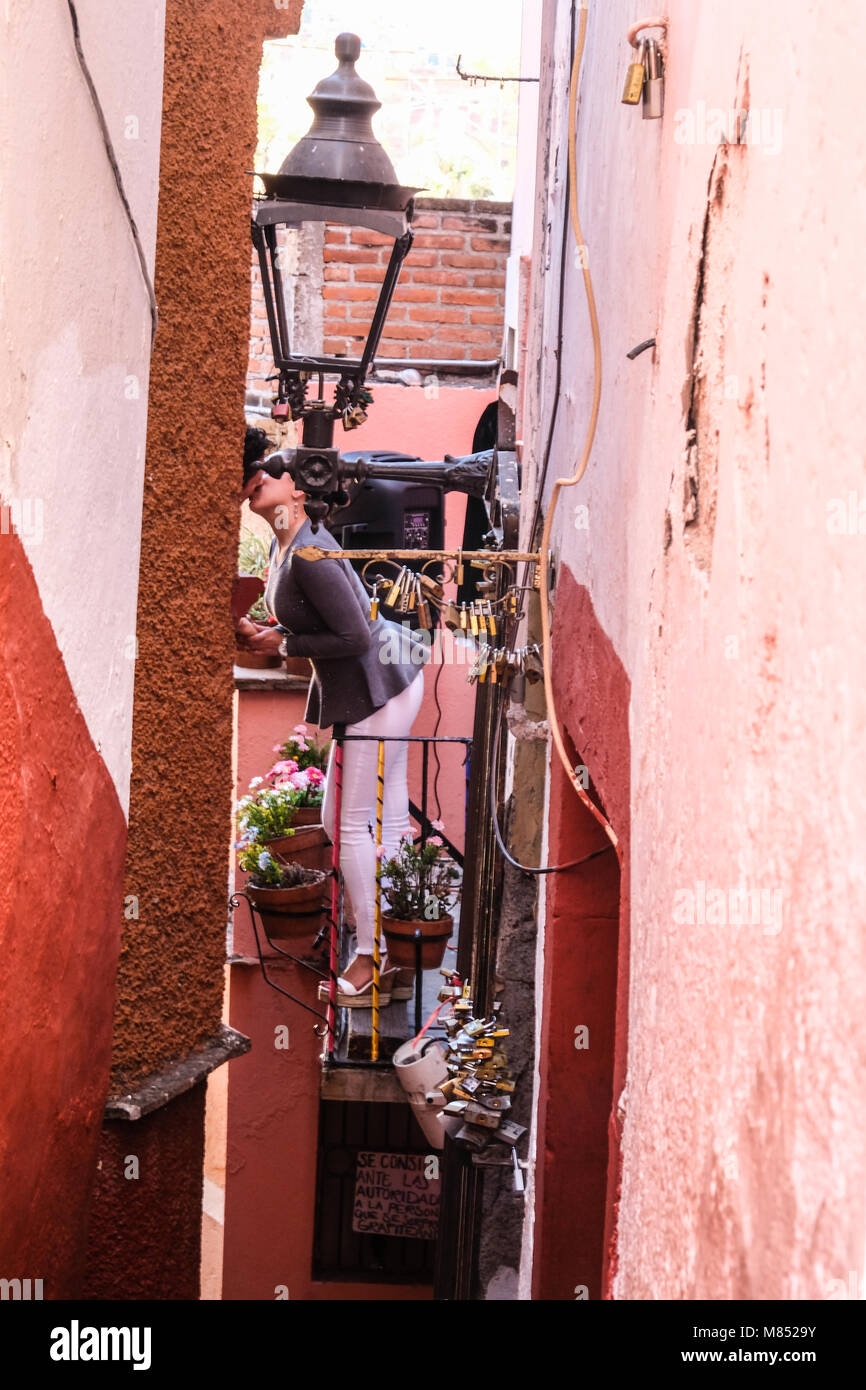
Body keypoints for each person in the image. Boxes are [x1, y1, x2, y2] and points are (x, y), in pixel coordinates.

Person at [240, 454, 426, 1006]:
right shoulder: (288, 539)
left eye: (268, 472)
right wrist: (271, 630)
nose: (257, 478)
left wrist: (285, 644)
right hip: (387, 680)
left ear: (297, 488)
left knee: (343, 823)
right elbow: (324, 619)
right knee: (384, 816)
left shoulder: (309, 554)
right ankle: (398, 950)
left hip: (377, 683)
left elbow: (355, 637)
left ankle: (369, 956)